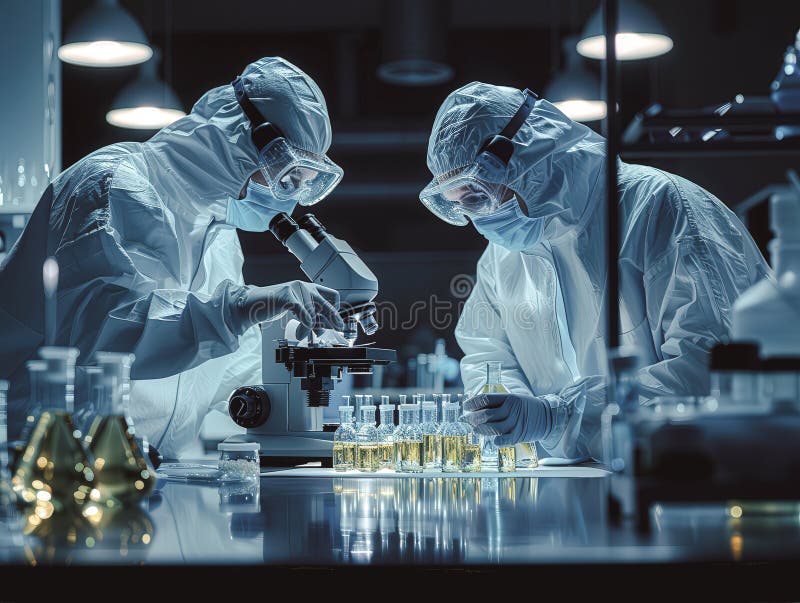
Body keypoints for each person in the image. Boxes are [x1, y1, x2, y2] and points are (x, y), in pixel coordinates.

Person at [0, 57, 345, 457]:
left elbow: (225, 368)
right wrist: (242, 306)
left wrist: (296, 364)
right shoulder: (114, 184)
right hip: (59, 462)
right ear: (238, 133)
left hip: (157, 474)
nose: (285, 195)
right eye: (283, 173)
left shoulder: (219, 235)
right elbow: (107, 333)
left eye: (297, 185)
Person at [420, 82, 769, 460]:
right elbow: (487, 351)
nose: (477, 218)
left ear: (524, 156)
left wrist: (562, 415)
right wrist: (510, 409)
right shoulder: (502, 255)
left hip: (684, 475)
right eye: (462, 205)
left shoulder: (658, 209)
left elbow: (709, 368)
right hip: (571, 482)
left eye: (476, 196)